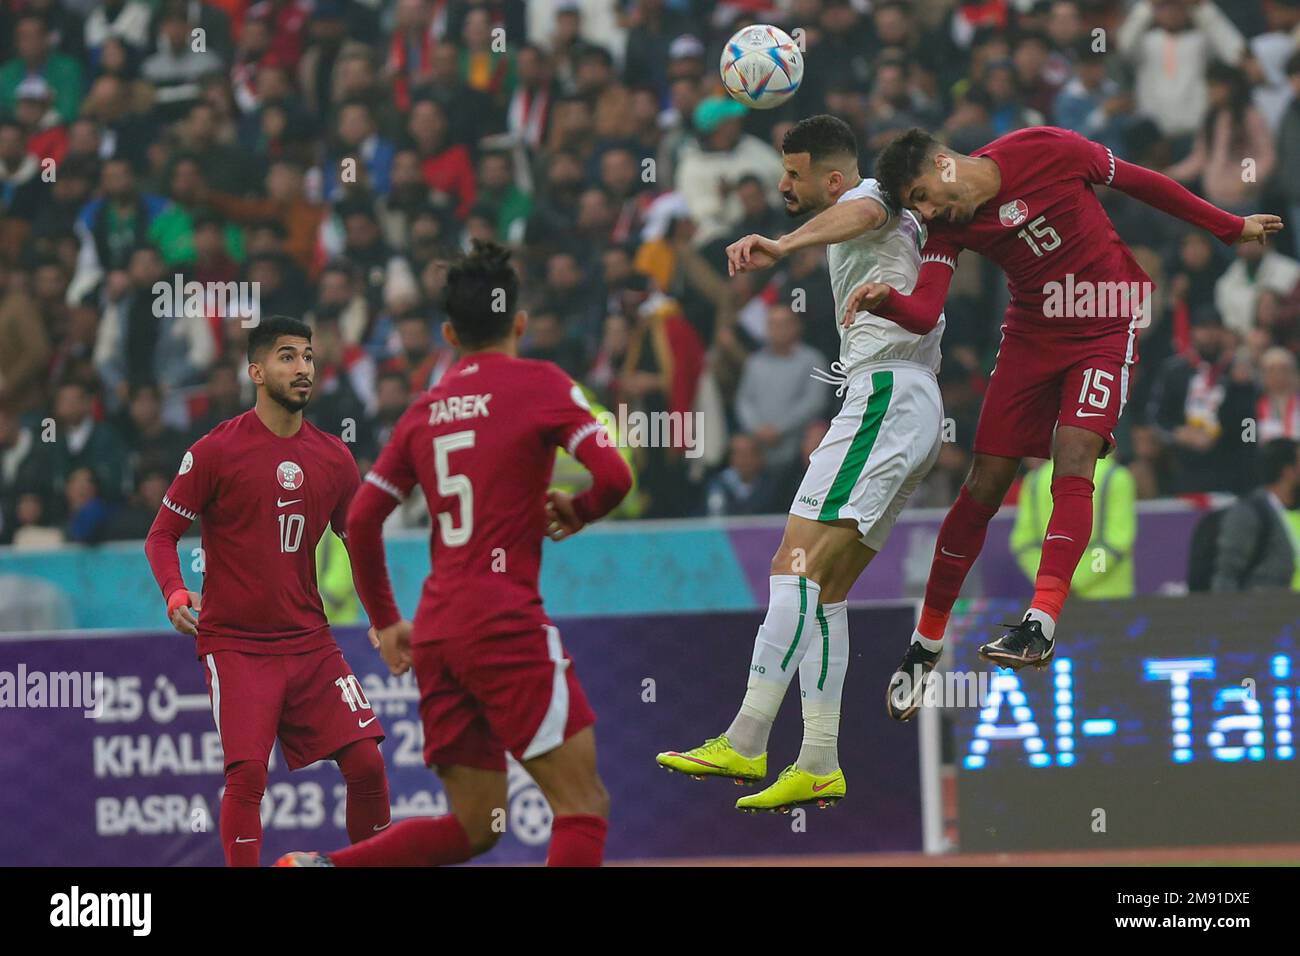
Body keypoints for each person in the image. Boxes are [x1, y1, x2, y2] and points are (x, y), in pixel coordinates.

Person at [843, 125, 1281, 671]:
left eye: (921, 198)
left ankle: (1040, 624)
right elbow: (927, 311)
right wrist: (886, 300)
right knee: (984, 483)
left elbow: (1144, 184)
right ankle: (926, 645)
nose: (925, 213)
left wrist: (1228, 225)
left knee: (1073, 459)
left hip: (1104, 327)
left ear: (942, 165)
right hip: (1030, 337)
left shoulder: (1043, 148)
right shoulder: (952, 228)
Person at [276, 241, 632, 868]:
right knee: (582, 805)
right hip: (504, 623)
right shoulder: (541, 383)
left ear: (447, 333)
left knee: (476, 825)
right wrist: (579, 511)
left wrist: (386, 623)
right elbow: (615, 476)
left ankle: (324, 868)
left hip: (439, 633)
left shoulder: (425, 410)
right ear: (518, 322)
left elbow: (360, 519)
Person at [656, 115, 946, 815]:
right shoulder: (875, 214)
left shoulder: (872, 196)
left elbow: (868, 209)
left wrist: (782, 244)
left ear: (835, 179)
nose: (783, 184)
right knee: (823, 588)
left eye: (794, 174)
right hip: (901, 400)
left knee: (796, 566)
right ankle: (815, 758)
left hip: (884, 394)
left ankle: (748, 735)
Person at [143, 315, 391, 867]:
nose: (302, 367)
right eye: (286, 356)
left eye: (307, 355)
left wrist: (382, 617)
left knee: (369, 763)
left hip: (310, 643)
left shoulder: (334, 457)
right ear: (256, 370)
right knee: (248, 774)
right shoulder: (214, 451)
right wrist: (176, 593)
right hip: (236, 644)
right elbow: (161, 536)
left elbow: (361, 545)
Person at [1010, 457, 1137, 601]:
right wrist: (1075, 580)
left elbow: (1024, 544)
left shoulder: (1034, 480)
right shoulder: (1116, 476)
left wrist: (1053, 581)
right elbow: (1114, 543)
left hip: (1052, 598)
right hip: (1109, 598)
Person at [1211, 438, 1300, 592]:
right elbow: (1227, 575)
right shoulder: (1250, 513)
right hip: (1269, 611)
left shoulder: (1293, 510)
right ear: (1287, 471)